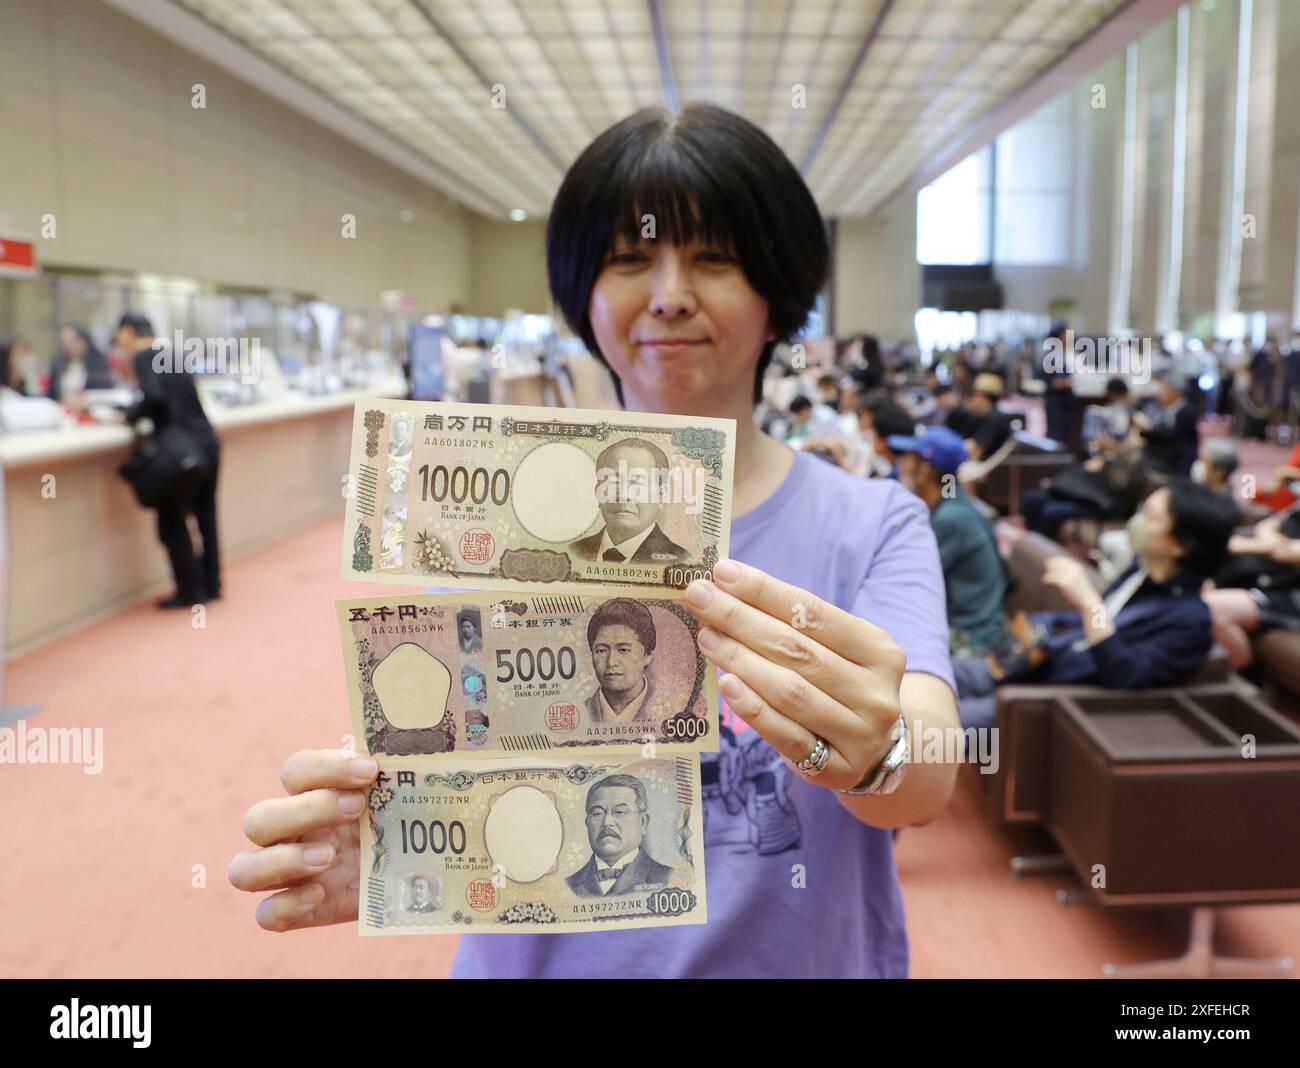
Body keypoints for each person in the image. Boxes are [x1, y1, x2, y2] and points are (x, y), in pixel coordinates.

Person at [230, 103, 958, 979]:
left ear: (779, 294)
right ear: (584, 294)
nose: (670, 293)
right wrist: (402, 843)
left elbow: (929, 770)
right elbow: (463, 767)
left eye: (715, 258)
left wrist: (886, 753)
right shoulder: (492, 525)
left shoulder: (870, 521)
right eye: (629, 259)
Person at [952, 480, 1239, 730]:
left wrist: (1090, 604)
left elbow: (1126, 675)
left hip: (1051, 698)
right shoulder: (1142, 572)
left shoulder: (1191, 621)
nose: (1136, 521)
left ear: (1181, 545)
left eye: (1149, 517)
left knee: (929, 724)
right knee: (934, 673)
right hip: (1033, 665)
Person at [117, 314, 222, 607]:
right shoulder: (172, 354)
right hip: (207, 441)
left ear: (127, 332)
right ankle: (211, 584)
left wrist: (128, 416)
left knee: (172, 519)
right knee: (206, 515)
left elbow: (153, 396)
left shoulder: (144, 356)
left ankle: (189, 591)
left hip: (179, 450)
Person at [890, 426, 1007, 656]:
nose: (902, 467)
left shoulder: (950, 520)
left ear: (925, 470)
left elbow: (906, 579)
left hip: (971, 637)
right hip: (963, 622)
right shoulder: (952, 499)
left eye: (908, 460)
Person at [1203, 504, 1300, 668]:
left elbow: (1288, 553)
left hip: (1288, 593)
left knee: (1211, 607)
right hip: (1263, 569)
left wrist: (1250, 545)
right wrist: (1268, 539)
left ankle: (1240, 674)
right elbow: (1269, 523)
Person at [569, 438, 689, 563]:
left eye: (637, 482)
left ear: (661, 495)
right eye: (613, 481)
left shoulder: (680, 560)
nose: (623, 494)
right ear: (598, 492)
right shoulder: (574, 551)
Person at [565, 775, 675, 897]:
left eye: (619, 812)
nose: (607, 822)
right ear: (587, 823)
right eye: (597, 813)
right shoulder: (566, 885)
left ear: (643, 822)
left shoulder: (670, 879)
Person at [584, 598, 656, 723]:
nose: (611, 662)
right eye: (601, 651)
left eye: (623, 650)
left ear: (647, 655)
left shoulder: (669, 709)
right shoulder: (579, 712)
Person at [1136, 371, 1199, 477]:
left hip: (1180, 459)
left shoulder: (1187, 412)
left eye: (1164, 390)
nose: (1160, 394)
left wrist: (1148, 429)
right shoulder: (1165, 407)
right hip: (1166, 452)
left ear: (1174, 392)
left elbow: (1171, 436)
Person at [0, 337, 63, 432]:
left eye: (28, 351)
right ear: (5, 360)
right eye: (21, 353)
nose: (28, 357)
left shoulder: (24, 385)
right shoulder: (5, 395)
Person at [47, 324, 114, 403]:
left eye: (70, 342)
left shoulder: (96, 363)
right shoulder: (59, 364)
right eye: (64, 342)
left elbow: (103, 388)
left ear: (82, 342)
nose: (66, 346)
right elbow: (53, 392)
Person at [962, 372, 1015, 462]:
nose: (971, 400)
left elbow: (975, 456)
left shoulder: (993, 419)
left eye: (973, 395)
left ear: (981, 396)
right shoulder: (989, 416)